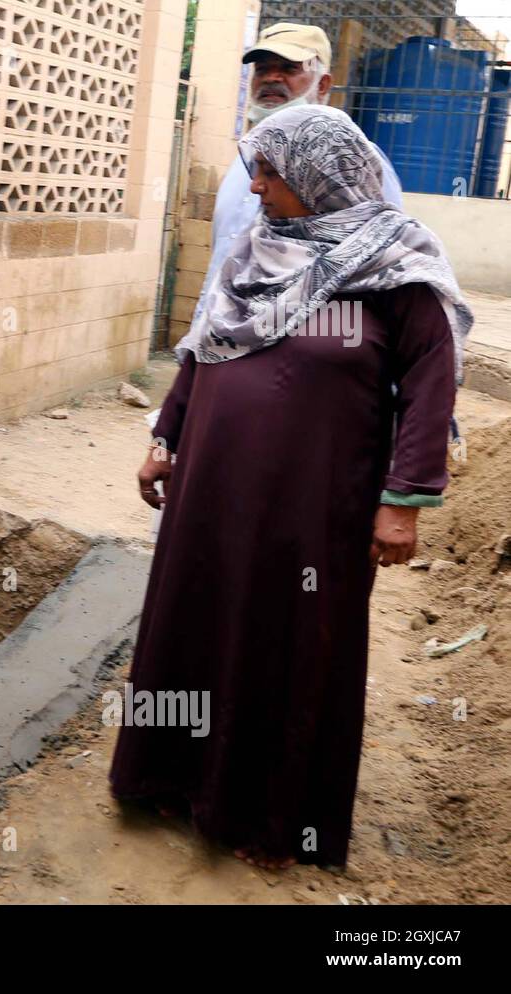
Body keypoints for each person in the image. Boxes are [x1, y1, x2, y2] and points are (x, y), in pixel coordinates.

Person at [109, 104, 473, 870]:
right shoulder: (258, 248)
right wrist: (165, 436)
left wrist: (403, 501)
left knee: (289, 642)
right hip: (211, 487)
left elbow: (430, 389)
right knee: (195, 617)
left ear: (320, 173)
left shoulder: (398, 265)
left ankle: (266, 818)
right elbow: (202, 350)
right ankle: (169, 781)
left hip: (315, 506)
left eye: (271, 173)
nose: (258, 187)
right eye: (257, 170)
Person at [197, 23, 404, 329]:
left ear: (322, 85)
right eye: (263, 69)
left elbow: (382, 268)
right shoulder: (243, 166)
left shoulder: (353, 163)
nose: (271, 78)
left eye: (289, 68)